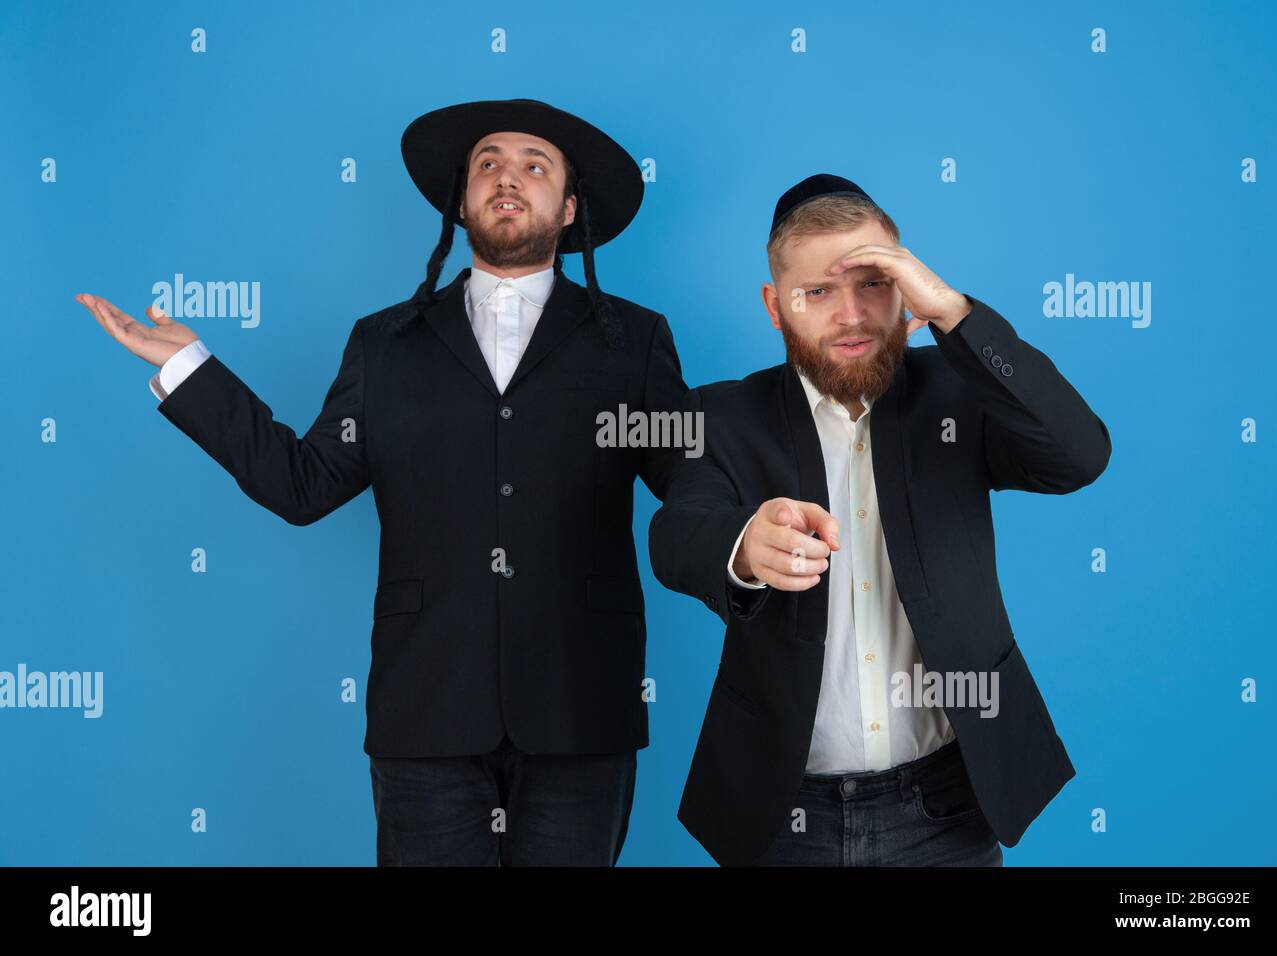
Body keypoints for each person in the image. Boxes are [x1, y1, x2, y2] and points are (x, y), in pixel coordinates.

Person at [78, 99, 691, 866]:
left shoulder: (632, 340)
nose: (509, 178)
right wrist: (190, 368)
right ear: (460, 200)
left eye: (536, 165)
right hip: (424, 710)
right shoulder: (386, 345)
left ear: (569, 208)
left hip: (583, 702)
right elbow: (303, 485)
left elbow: (689, 479)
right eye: (488, 164)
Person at [648, 173, 1111, 866]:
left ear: (907, 291)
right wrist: (744, 544)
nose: (852, 315)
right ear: (776, 307)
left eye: (873, 283)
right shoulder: (718, 417)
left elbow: (1078, 455)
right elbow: (676, 534)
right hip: (783, 812)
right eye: (818, 293)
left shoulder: (959, 391)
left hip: (950, 805)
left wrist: (956, 313)